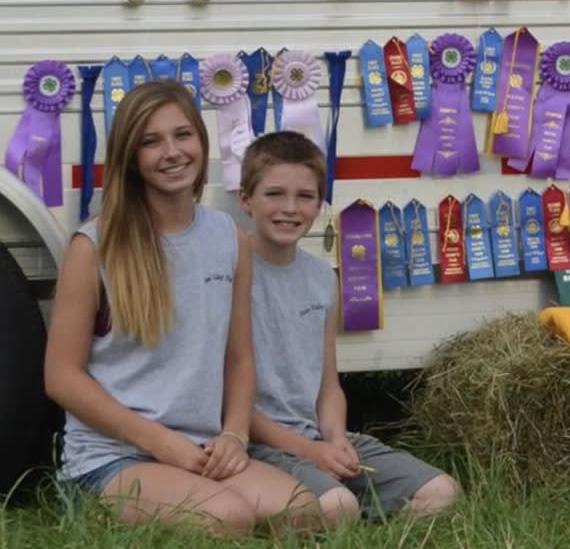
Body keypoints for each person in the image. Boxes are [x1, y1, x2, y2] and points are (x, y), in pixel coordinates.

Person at [44, 80, 321, 536]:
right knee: (225, 518)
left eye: (182, 135)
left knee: (301, 509)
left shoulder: (228, 237)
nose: (172, 152)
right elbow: (61, 378)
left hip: (202, 446)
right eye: (151, 142)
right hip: (113, 456)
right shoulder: (94, 246)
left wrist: (234, 433)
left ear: (202, 140)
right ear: (131, 157)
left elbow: (239, 357)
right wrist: (160, 442)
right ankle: (90, 510)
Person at [239, 131, 459, 526]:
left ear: (320, 204)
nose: (290, 208)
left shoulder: (322, 277)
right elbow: (230, 402)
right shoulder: (231, 272)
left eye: (305, 196)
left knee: (443, 492)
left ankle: (373, 527)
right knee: (336, 508)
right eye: (274, 194)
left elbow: (327, 384)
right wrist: (309, 451)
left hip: (318, 436)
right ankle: (335, 511)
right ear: (245, 200)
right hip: (259, 445)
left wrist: (336, 439)